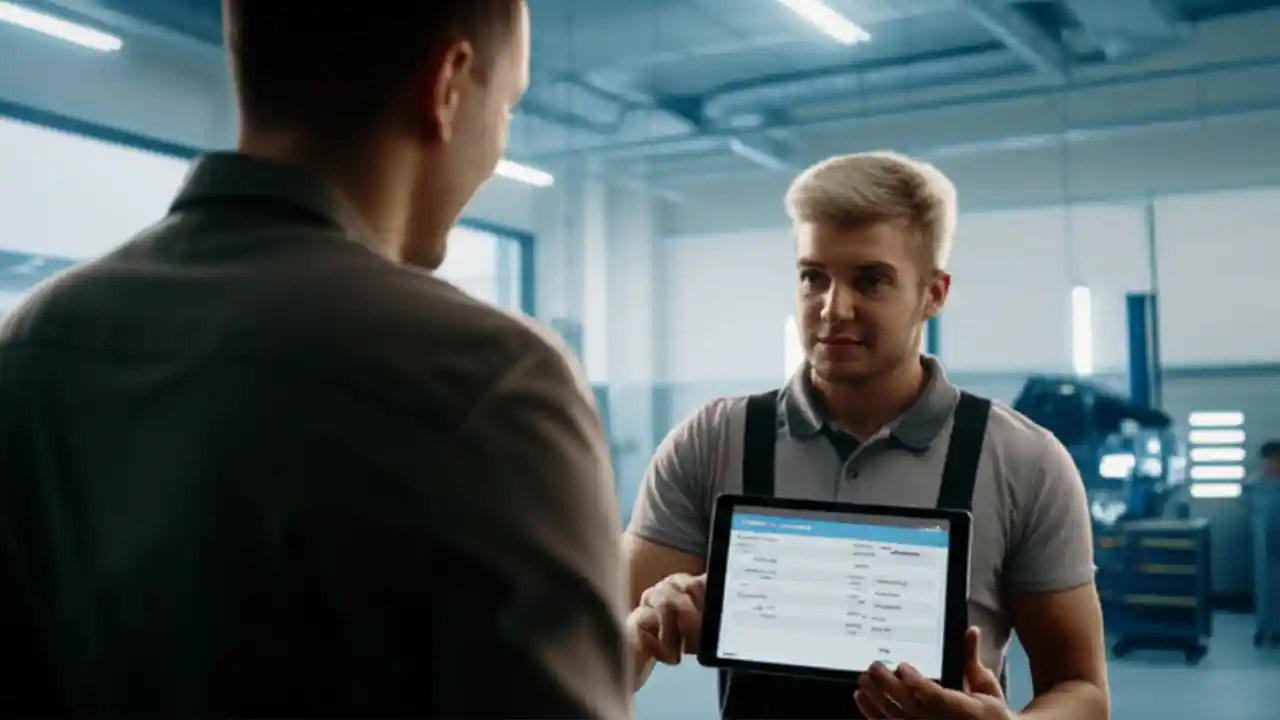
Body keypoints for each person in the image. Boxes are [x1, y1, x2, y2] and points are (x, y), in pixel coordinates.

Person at [0, 2, 629, 718]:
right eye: (508, 104)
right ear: (448, 84)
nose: (499, 144)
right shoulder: (487, 381)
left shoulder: (32, 345)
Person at [624, 152, 1110, 719]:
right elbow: (589, 653)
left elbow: (1083, 690)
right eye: (813, 277)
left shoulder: (1025, 461)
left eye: (871, 280)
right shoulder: (711, 442)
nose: (833, 308)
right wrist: (638, 633)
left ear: (934, 293)